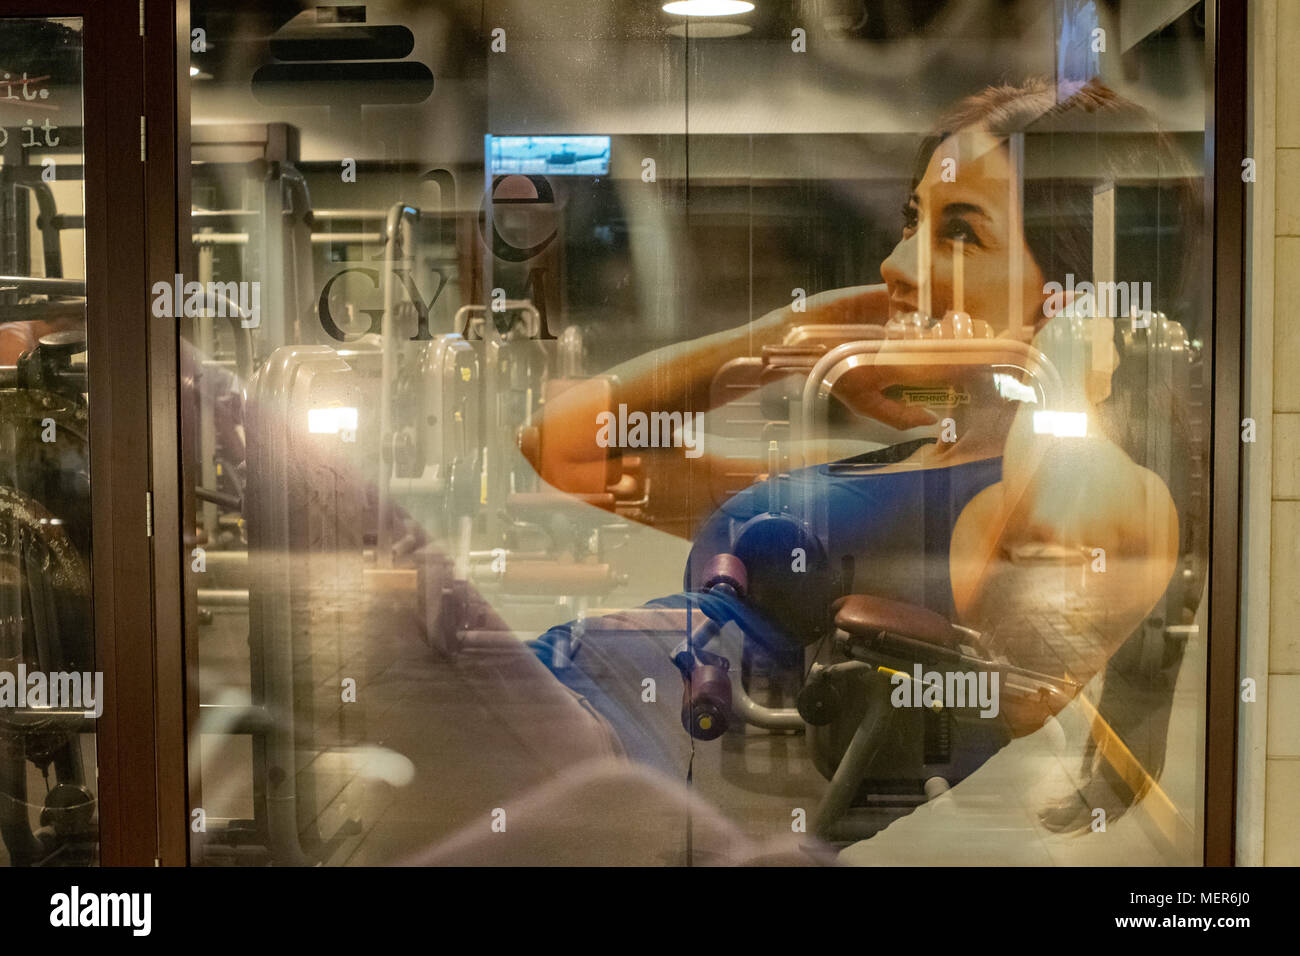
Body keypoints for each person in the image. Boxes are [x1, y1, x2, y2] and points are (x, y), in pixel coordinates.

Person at [527, 75, 1203, 839]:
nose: (896, 264)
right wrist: (787, 335)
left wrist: (1066, 365)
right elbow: (565, 446)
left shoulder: (1112, 494)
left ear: (1072, 291)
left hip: (607, 769)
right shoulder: (895, 464)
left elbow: (1040, 609)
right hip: (573, 706)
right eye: (912, 221)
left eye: (961, 234)